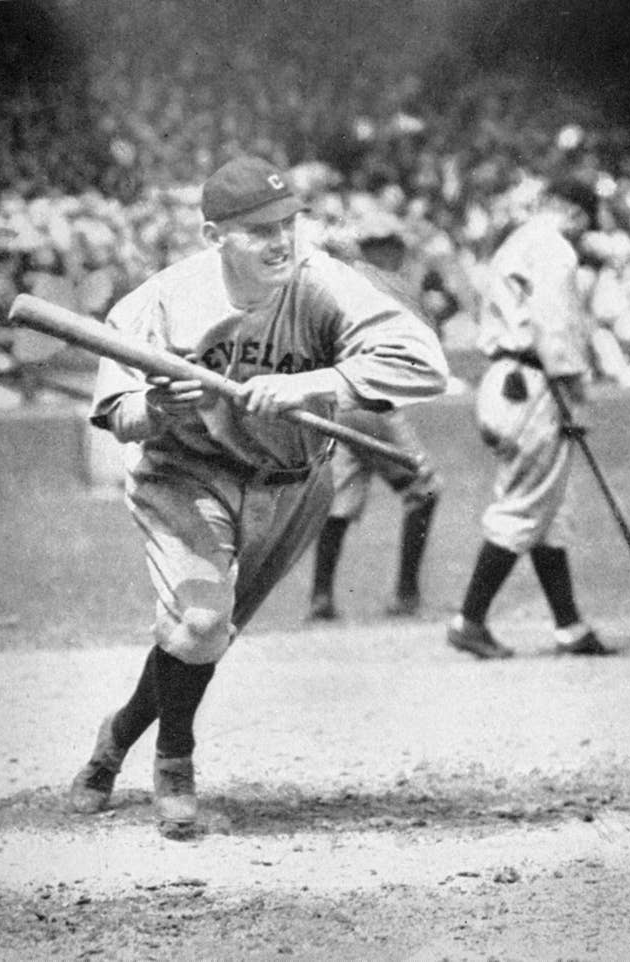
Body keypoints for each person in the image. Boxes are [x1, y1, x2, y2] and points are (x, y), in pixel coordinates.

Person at [69, 155, 449, 838]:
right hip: (189, 471)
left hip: (295, 483)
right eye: (258, 230)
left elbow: (424, 363)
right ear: (215, 236)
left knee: (203, 638)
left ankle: (115, 737)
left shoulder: (323, 282)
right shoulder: (163, 301)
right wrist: (155, 407)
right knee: (202, 624)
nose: (281, 242)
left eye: (288, 223)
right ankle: (173, 764)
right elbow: (118, 412)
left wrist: (315, 385)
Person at [447, 178, 614, 659]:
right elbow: (554, 325)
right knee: (525, 505)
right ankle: (469, 620)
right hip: (533, 381)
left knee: (547, 508)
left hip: (505, 380)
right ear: (573, 213)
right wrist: (574, 387)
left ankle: (569, 626)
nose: (583, 233)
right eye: (583, 222)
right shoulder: (555, 248)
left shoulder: (518, 241)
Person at [307, 220, 442, 620]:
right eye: (387, 245)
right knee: (425, 489)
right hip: (373, 405)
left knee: (340, 503)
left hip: (336, 404)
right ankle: (406, 594)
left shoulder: (328, 283)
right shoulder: (384, 283)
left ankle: (321, 597)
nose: (394, 252)